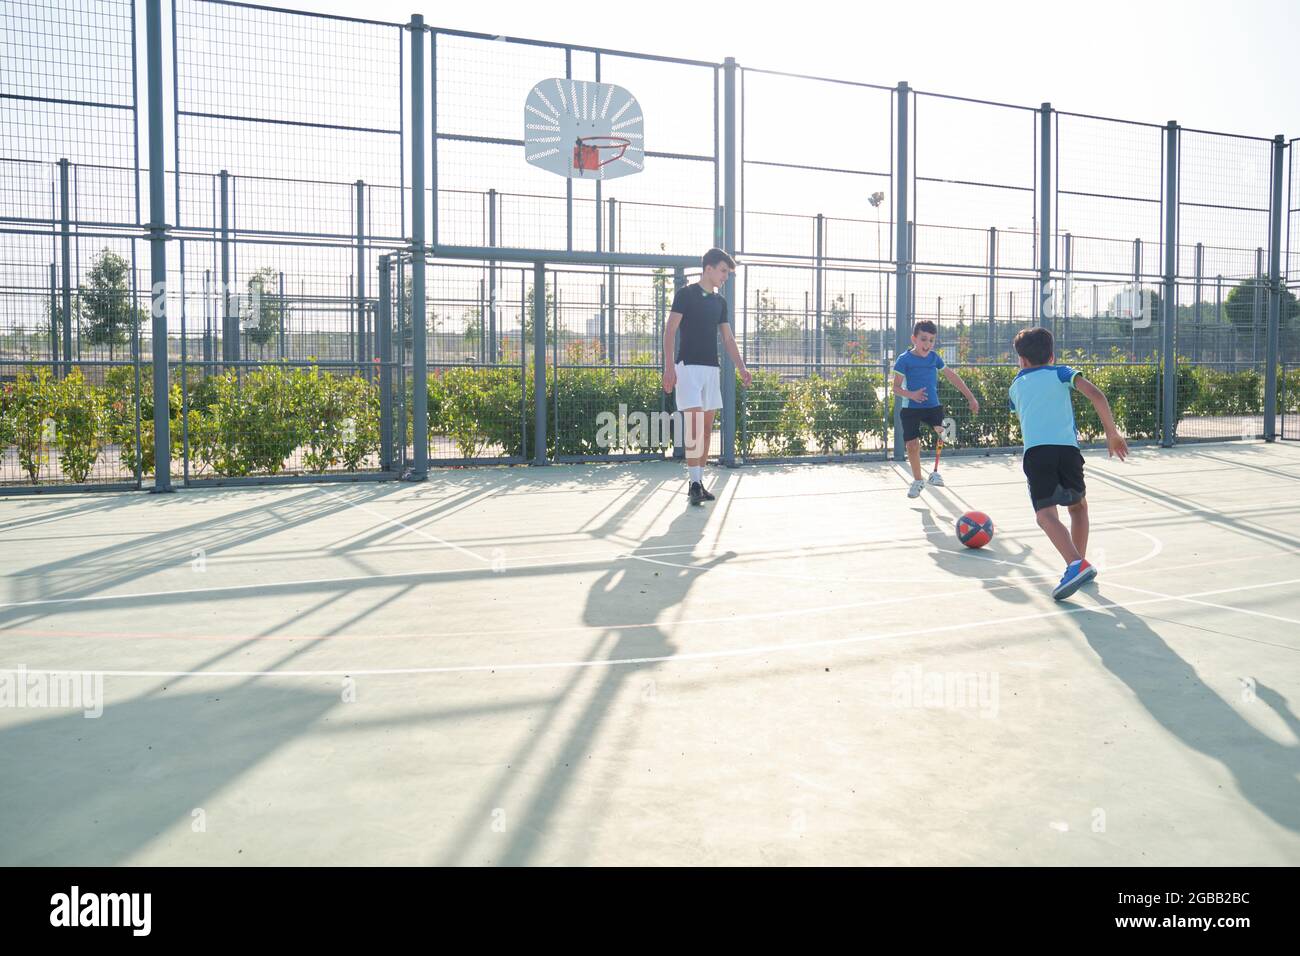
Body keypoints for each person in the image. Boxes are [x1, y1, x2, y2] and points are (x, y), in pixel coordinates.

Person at [1008, 327, 1128, 601]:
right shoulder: (1062, 372)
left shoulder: (1015, 387)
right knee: (1078, 506)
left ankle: (1076, 564)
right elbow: (1096, 394)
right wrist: (1111, 432)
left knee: (1045, 515)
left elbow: (1021, 408)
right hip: (1068, 451)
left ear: (1022, 360)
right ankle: (1079, 563)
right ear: (1052, 356)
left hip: (1038, 454)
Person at [662, 248, 752, 506]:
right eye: (724, 271)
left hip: (712, 370)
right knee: (694, 428)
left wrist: (742, 367)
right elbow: (670, 331)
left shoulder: (720, 303)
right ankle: (693, 484)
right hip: (687, 368)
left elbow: (728, 338)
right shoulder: (685, 295)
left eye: (728, 272)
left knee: (705, 432)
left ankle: (698, 483)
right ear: (709, 268)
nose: (725, 276)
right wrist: (669, 367)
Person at [892, 320, 979, 498]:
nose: (928, 344)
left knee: (941, 431)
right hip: (911, 408)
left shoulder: (935, 358)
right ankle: (918, 480)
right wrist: (912, 395)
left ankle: (935, 473)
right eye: (924, 339)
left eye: (931, 340)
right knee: (912, 445)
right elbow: (895, 388)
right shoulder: (904, 360)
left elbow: (952, 377)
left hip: (932, 406)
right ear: (914, 339)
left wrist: (970, 397)